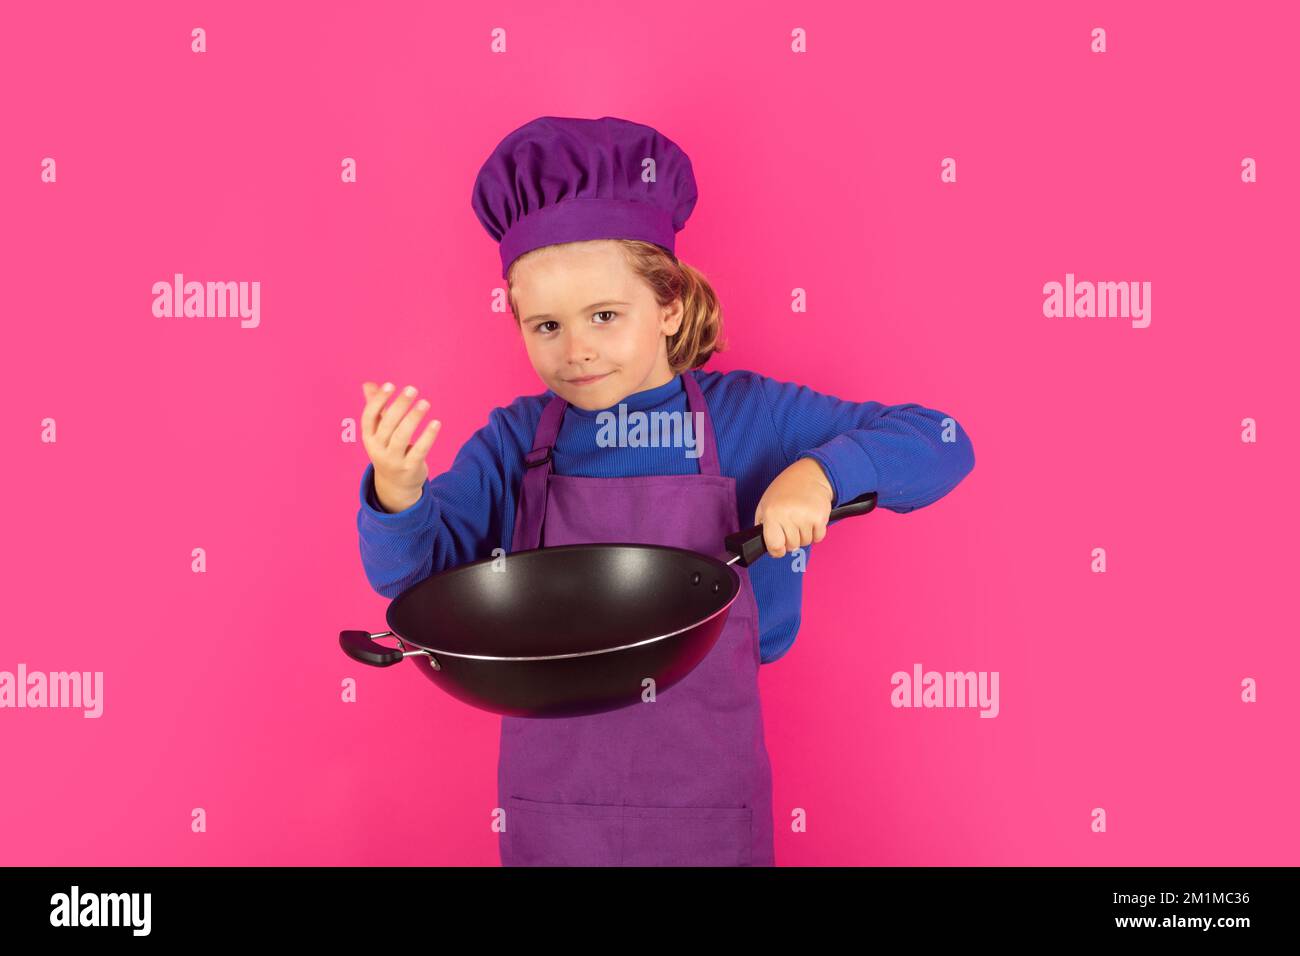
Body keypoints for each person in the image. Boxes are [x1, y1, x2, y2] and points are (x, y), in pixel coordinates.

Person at [356, 116, 975, 866]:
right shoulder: (516, 440)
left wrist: (821, 475)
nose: (576, 349)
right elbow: (414, 581)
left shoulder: (753, 419)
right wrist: (398, 492)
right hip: (555, 815)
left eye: (605, 316)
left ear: (671, 305)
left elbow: (942, 442)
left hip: (704, 812)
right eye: (546, 324)